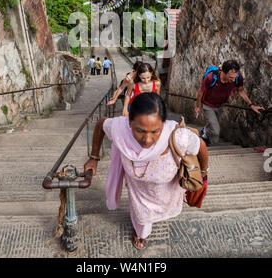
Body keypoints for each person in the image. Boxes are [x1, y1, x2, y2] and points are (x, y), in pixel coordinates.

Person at [84, 93, 208, 250]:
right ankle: (141, 234)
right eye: (140, 131)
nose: (147, 139)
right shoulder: (120, 130)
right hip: (138, 194)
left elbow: (201, 146)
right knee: (141, 221)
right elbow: (101, 124)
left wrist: (204, 172)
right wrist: (94, 157)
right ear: (129, 123)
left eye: (155, 131)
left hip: (166, 193)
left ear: (163, 125)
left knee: (152, 215)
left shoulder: (178, 137)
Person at [194, 60, 264, 145]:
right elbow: (200, 92)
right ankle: (204, 145)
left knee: (212, 124)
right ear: (224, 72)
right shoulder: (211, 77)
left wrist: (251, 105)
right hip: (208, 105)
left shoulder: (238, 78)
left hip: (220, 105)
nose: (234, 80)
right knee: (215, 133)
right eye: (231, 77)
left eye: (235, 77)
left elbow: (241, 91)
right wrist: (198, 106)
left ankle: (204, 131)